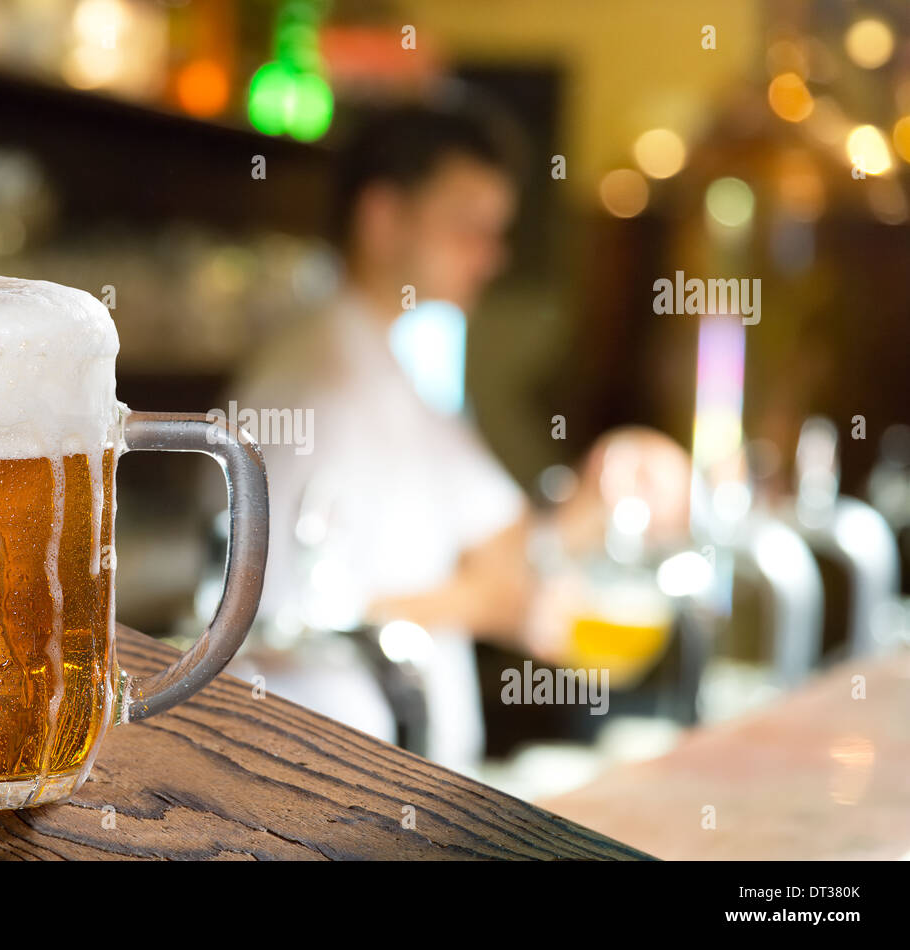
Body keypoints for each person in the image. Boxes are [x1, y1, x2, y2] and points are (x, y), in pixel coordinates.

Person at [216, 97, 690, 770]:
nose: (492, 257)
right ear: (382, 219)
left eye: (498, 231)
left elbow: (515, 544)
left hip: (405, 782)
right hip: (319, 787)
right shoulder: (311, 385)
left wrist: (614, 482)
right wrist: (487, 603)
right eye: (469, 227)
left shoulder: (396, 370)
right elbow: (265, 622)